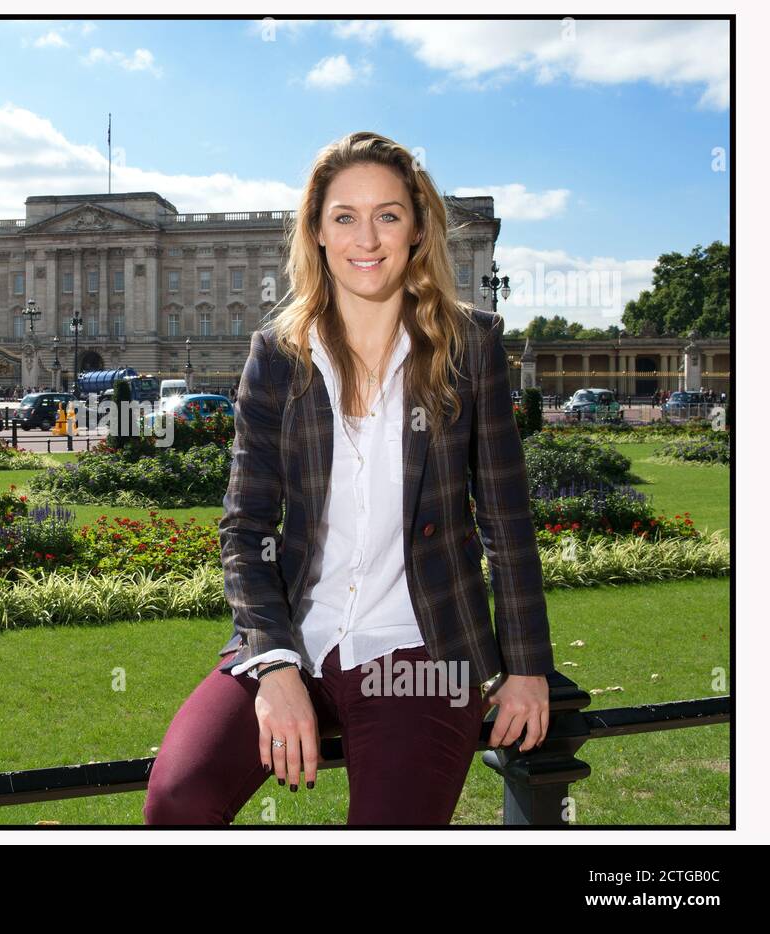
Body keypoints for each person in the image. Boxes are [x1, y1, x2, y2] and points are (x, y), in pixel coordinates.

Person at [144, 131, 554, 826]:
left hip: (419, 651)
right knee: (177, 801)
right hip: (296, 635)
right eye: (345, 216)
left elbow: (506, 519)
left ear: (419, 229)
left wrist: (526, 665)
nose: (368, 237)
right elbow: (245, 529)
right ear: (318, 232)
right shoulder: (276, 355)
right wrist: (273, 666)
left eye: (388, 215)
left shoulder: (471, 345)